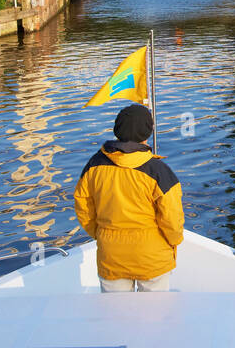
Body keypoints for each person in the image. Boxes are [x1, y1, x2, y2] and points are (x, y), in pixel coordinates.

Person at [74, 104, 184, 292]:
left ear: (117, 129)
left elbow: (83, 206)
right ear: (148, 132)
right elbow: (172, 219)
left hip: (111, 255)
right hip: (151, 257)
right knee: (154, 316)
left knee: (116, 316)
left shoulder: (93, 165)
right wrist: (174, 241)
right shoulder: (158, 172)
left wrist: (101, 234)